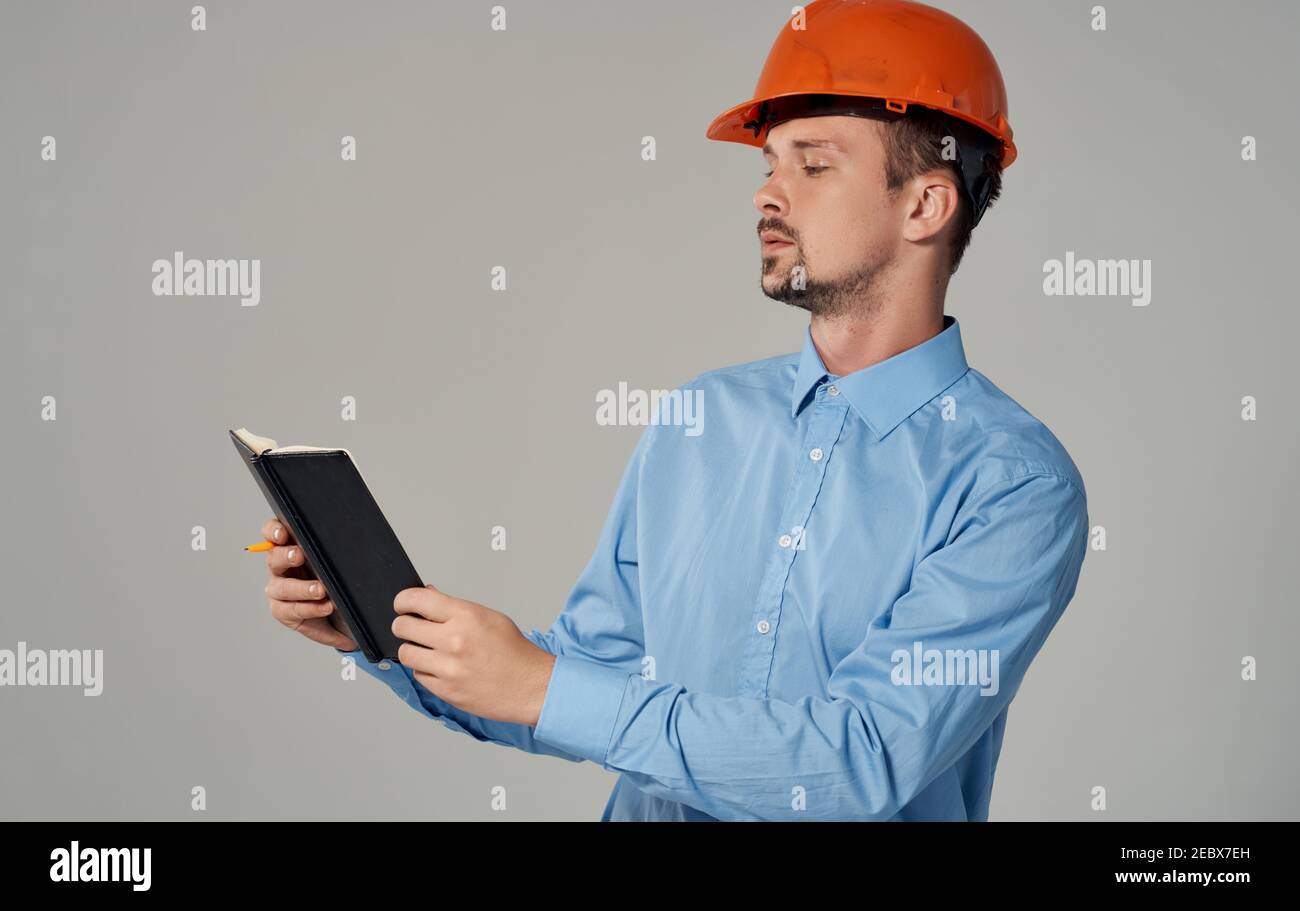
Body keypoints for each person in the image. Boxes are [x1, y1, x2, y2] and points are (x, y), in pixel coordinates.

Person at [259, 0, 1088, 821]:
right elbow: (585, 673)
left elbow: (859, 758)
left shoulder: (1012, 483)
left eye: (813, 164)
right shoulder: (703, 417)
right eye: (768, 165)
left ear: (924, 206)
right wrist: (381, 631)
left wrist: (546, 686)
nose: (768, 194)